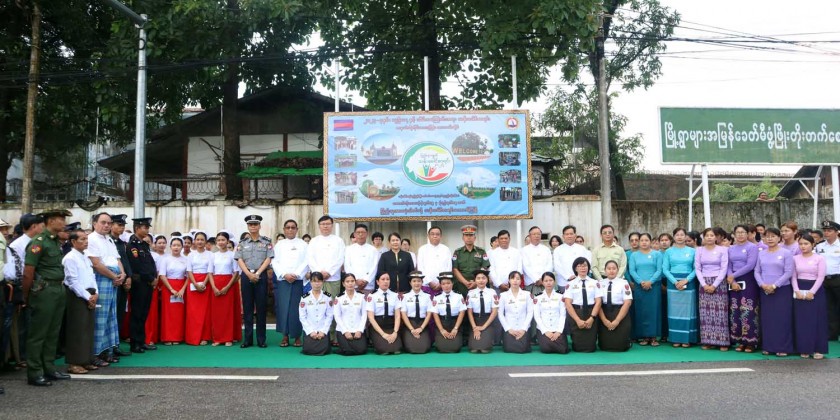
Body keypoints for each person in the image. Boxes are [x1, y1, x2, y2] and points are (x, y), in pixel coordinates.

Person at [22, 209, 72, 386]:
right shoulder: (39, 242)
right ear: (51, 221)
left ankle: (48, 368)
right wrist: (25, 296)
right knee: (39, 333)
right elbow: (28, 272)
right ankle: (35, 372)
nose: (64, 223)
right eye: (61, 219)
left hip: (57, 289)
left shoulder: (53, 242)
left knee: (53, 332)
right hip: (44, 291)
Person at [86, 212, 128, 365]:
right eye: (103, 222)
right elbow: (96, 264)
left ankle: (107, 351)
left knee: (111, 317)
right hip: (102, 279)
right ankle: (95, 353)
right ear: (94, 223)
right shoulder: (91, 239)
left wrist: (122, 274)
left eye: (109, 223)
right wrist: (114, 276)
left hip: (114, 280)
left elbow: (117, 260)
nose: (106, 225)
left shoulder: (109, 239)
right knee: (100, 318)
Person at [4, 214, 44, 372]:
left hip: (35, 286)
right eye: (41, 225)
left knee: (32, 323)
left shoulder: (33, 242)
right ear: (34, 226)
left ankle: (27, 355)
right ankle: (21, 356)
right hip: (22, 286)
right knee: (23, 324)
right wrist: (24, 291)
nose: (42, 228)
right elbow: (20, 269)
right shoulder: (19, 244)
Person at [754, 227, 795, 357]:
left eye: (773, 236)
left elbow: (788, 272)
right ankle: (768, 346)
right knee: (767, 319)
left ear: (779, 238)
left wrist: (775, 285)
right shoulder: (761, 253)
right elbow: (757, 271)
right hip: (765, 290)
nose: (770, 239)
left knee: (782, 319)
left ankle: (783, 347)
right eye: (767, 236)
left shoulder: (786, 253)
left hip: (782, 290)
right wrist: (762, 284)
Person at [62, 229, 98, 374]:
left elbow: (92, 277)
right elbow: (72, 281)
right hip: (77, 295)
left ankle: (85, 359)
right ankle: (74, 362)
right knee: (77, 329)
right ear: (73, 241)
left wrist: (95, 293)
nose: (86, 241)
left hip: (89, 294)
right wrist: (87, 296)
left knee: (87, 329)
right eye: (82, 239)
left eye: (86, 239)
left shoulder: (85, 257)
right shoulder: (70, 258)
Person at [236, 215, 274, 348]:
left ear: (259, 226)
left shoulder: (266, 242)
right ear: (247, 226)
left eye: (255, 224)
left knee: (262, 308)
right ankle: (247, 339)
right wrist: (248, 274)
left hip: (261, 276)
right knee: (247, 308)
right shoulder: (242, 243)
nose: (253, 226)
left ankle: (261, 340)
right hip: (246, 276)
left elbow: (269, 259)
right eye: (250, 224)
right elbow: (239, 259)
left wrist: (257, 273)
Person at [306, 215, 344, 343]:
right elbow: (310, 259)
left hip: (333, 279)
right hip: (318, 280)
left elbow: (340, 259)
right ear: (319, 226)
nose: (325, 226)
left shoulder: (338, 241)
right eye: (323, 224)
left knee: (332, 307)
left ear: (332, 225)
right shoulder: (314, 241)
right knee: (318, 307)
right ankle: (320, 335)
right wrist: (320, 274)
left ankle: (333, 337)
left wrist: (330, 272)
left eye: (328, 224)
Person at [271, 219, 308, 347]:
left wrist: (296, 274)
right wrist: (284, 274)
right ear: (284, 229)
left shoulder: (303, 244)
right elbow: (274, 261)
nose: (290, 230)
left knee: (296, 308)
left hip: (297, 280)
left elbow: (306, 261)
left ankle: (297, 336)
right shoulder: (279, 245)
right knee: (283, 308)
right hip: (283, 280)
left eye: (293, 227)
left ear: (297, 229)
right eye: (288, 227)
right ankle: (285, 335)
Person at [125, 217, 158, 354]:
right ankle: (135, 343)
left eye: (147, 227)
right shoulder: (132, 245)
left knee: (144, 313)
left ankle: (141, 341)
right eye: (144, 227)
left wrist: (155, 277)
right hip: (140, 283)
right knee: (137, 313)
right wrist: (151, 278)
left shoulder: (144, 245)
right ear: (137, 228)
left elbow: (150, 263)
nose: (147, 229)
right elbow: (138, 266)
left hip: (148, 283)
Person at [792, 235, 828, 359]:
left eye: (806, 244)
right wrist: (796, 290)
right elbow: (793, 276)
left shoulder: (819, 258)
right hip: (799, 290)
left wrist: (812, 291)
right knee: (802, 320)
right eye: (801, 244)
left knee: (817, 320)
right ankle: (804, 348)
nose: (803, 246)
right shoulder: (795, 258)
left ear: (813, 244)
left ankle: (818, 348)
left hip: (815, 290)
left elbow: (821, 277)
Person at [695, 228, 730, 351]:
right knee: (706, 313)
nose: (709, 237)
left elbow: (724, 268)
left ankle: (722, 342)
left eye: (712, 235)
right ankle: (707, 340)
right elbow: (698, 268)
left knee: (720, 313)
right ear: (703, 237)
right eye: (707, 235)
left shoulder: (723, 250)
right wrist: (704, 284)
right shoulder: (699, 250)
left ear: (716, 237)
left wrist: (714, 285)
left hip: (719, 283)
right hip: (704, 282)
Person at [662, 228, 699, 348]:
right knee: (674, 311)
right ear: (674, 237)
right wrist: (674, 281)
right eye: (677, 235)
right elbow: (665, 269)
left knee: (688, 311)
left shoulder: (693, 251)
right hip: (673, 283)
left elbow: (696, 269)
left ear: (685, 236)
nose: (679, 237)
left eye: (682, 235)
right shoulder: (668, 252)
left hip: (688, 281)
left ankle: (687, 339)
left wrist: (686, 280)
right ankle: (675, 338)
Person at [726, 224, 760, 352]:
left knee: (748, 310)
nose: (740, 235)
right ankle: (739, 340)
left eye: (743, 232)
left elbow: (750, 265)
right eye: (738, 232)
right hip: (733, 281)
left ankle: (750, 341)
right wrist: (731, 278)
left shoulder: (752, 247)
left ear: (748, 234)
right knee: (735, 310)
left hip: (748, 279)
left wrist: (733, 275)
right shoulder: (731, 248)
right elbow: (728, 264)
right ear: (734, 234)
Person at [628, 233, 662, 346]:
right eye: (641, 240)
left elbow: (659, 270)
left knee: (654, 311)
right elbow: (632, 270)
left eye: (646, 240)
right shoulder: (634, 255)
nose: (643, 242)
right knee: (641, 311)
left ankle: (654, 337)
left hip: (654, 286)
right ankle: (644, 336)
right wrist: (641, 282)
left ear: (650, 241)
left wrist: (650, 281)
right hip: (639, 286)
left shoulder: (657, 254)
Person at [208, 232, 240, 346]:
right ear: (216, 242)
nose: (221, 242)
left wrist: (227, 287)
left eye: (223, 240)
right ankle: (217, 338)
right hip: (216, 284)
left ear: (227, 241)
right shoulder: (213, 255)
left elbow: (236, 272)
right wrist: (213, 287)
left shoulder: (233, 255)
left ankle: (228, 338)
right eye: (218, 240)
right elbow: (210, 272)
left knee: (228, 312)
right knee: (217, 313)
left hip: (228, 283)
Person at [564, 257, 602, 352]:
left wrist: (592, 318)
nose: (582, 268)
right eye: (579, 266)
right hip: (576, 312)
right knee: (578, 347)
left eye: (585, 265)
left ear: (588, 267)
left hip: (591, 312)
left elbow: (598, 301)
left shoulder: (595, 283)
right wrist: (577, 320)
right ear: (575, 269)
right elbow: (568, 303)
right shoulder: (570, 284)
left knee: (590, 347)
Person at [159, 237, 188, 345]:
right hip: (168, 287)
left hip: (181, 287)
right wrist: (171, 289)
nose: (176, 247)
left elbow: (188, 276)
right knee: (168, 313)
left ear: (182, 247)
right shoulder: (165, 259)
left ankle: (178, 337)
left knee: (179, 313)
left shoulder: (185, 259)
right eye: (174, 245)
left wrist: (182, 289)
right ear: (170, 247)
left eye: (178, 245)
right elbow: (162, 275)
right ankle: (167, 337)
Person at [598, 260, 633, 352]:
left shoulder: (624, 283)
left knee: (620, 347)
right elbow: (598, 303)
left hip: (620, 311)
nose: (611, 271)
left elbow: (627, 302)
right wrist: (605, 320)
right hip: (604, 312)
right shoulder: (600, 283)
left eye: (614, 268)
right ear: (605, 270)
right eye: (609, 269)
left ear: (617, 270)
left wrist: (617, 321)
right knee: (604, 347)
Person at [109, 215, 133, 348]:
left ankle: (116, 345)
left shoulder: (122, 244)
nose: (121, 227)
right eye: (118, 224)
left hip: (123, 280)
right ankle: (110, 346)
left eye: (123, 225)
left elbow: (125, 261)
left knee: (120, 313)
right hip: (113, 280)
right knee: (112, 314)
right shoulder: (109, 242)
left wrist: (128, 276)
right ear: (112, 225)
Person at [185, 232, 212, 346]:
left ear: (205, 241)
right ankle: (192, 337)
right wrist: (195, 284)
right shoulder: (191, 255)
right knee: (193, 311)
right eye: (198, 239)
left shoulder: (211, 254)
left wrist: (204, 283)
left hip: (206, 282)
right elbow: (189, 270)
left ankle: (205, 337)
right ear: (194, 241)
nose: (200, 242)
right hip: (193, 282)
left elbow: (210, 270)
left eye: (202, 239)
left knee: (205, 311)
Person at [496, 271, 533, 353]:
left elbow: (530, 312)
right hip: (510, 328)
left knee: (524, 349)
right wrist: (508, 329)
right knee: (508, 349)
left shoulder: (527, 294)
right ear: (509, 280)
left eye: (518, 279)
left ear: (521, 281)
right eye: (512, 278)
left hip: (523, 327)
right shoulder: (503, 295)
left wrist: (523, 329)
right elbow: (500, 313)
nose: (515, 281)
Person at [533, 272, 569, 354]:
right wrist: (545, 331)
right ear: (542, 282)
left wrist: (558, 331)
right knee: (546, 349)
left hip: (557, 328)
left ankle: (555, 341)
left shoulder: (560, 296)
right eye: (546, 281)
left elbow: (562, 315)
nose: (548, 283)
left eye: (550, 280)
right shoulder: (538, 297)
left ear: (554, 281)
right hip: (544, 329)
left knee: (563, 349)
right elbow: (537, 316)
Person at [815, 220, 840, 341]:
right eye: (824, 230)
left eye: (829, 231)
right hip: (824, 280)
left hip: (838, 279)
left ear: (836, 232)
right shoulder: (820, 246)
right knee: (829, 308)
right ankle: (832, 333)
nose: (826, 233)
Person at [366, 272, 402, 354]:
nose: (385, 281)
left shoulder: (395, 295)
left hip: (391, 325)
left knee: (397, 349)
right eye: (383, 279)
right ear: (377, 282)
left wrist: (395, 332)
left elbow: (397, 316)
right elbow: (371, 318)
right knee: (383, 349)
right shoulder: (372, 296)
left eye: (387, 279)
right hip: (378, 326)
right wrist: (383, 334)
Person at [298, 272, 333, 356]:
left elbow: (330, 315)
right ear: (310, 282)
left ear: (322, 282)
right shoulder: (304, 297)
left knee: (324, 350)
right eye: (314, 281)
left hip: (322, 330)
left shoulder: (327, 297)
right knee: (309, 350)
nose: (317, 284)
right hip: (310, 330)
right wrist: (310, 332)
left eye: (319, 281)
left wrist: (323, 331)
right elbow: (302, 316)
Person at [431, 272, 466, 353]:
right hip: (442, 323)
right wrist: (441, 329)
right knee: (441, 348)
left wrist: (455, 328)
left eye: (448, 283)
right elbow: (435, 315)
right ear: (440, 285)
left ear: (452, 283)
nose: (446, 286)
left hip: (455, 323)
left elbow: (462, 312)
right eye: (443, 284)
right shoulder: (436, 297)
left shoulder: (459, 296)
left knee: (455, 348)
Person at [333, 273, 367, 355]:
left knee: (361, 350)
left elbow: (364, 315)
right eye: (347, 281)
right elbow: (337, 316)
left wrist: (360, 330)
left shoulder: (361, 297)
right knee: (347, 351)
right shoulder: (339, 298)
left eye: (352, 281)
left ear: (355, 283)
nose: (350, 283)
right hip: (343, 330)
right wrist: (345, 331)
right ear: (343, 283)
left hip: (357, 329)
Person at [452, 225, 490, 297]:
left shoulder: (481, 251)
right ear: (463, 238)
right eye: (466, 235)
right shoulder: (457, 252)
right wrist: (465, 282)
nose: (469, 237)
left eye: (471, 235)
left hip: (478, 285)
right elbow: (455, 269)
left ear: (474, 238)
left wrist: (476, 282)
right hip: (461, 285)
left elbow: (485, 267)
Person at [399, 271, 433, 354]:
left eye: (419, 281)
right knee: (411, 348)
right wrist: (412, 329)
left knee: (424, 348)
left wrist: (421, 328)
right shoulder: (405, 296)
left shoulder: (427, 296)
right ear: (410, 283)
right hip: (410, 324)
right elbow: (403, 314)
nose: (416, 283)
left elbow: (429, 314)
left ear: (422, 282)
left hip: (422, 324)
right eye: (414, 281)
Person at [466, 268, 498, 353]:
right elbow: (469, 312)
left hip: (487, 320)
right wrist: (475, 328)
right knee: (474, 349)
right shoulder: (471, 293)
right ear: (475, 280)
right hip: (475, 321)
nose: (481, 280)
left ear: (487, 280)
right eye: (478, 278)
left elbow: (494, 311)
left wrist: (484, 327)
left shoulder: (492, 292)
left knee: (484, 349)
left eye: (483, 278)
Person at [416, 226, 452, 297]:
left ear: (441, 236)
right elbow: (420, 268)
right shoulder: (422, 249)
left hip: (443, 286)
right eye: (432, 234)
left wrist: (441, 282)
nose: (435, 236)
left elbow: (448, 267)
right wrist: (429, 281)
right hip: (426, 285)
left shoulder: (446, 249)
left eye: (437, 234)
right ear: (428, 236)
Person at [552, 225, 590, 292]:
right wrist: (568, 277)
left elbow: (587, 264)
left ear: (575, 235)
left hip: (580, 280)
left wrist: (578, 276)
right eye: (567, 234)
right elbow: (557, 266)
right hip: (564, 282)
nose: (569, 236)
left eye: (571, 234)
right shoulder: (558, 250)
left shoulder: (582, 249)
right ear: (563, 236)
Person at [344, 224, 378, 295]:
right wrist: (355, 280)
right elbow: (347, 266)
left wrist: (366, 280)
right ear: (354, 234)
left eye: (363, 232)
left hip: (368, 285)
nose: (360, 234)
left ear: (367, 234)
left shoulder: (373, 250)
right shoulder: (349, 249)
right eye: (358, 232)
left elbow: (374, 267)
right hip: (353, 284)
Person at [521, 226, 553, 295]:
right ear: (529, 236)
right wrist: (536, 279)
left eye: (538, 234)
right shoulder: (524, 250)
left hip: (545, 283)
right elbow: (526, 267)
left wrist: (543, 279)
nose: (536, 236)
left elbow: (549, 265)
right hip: (531, 283)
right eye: (534, 234)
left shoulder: (546, 249)